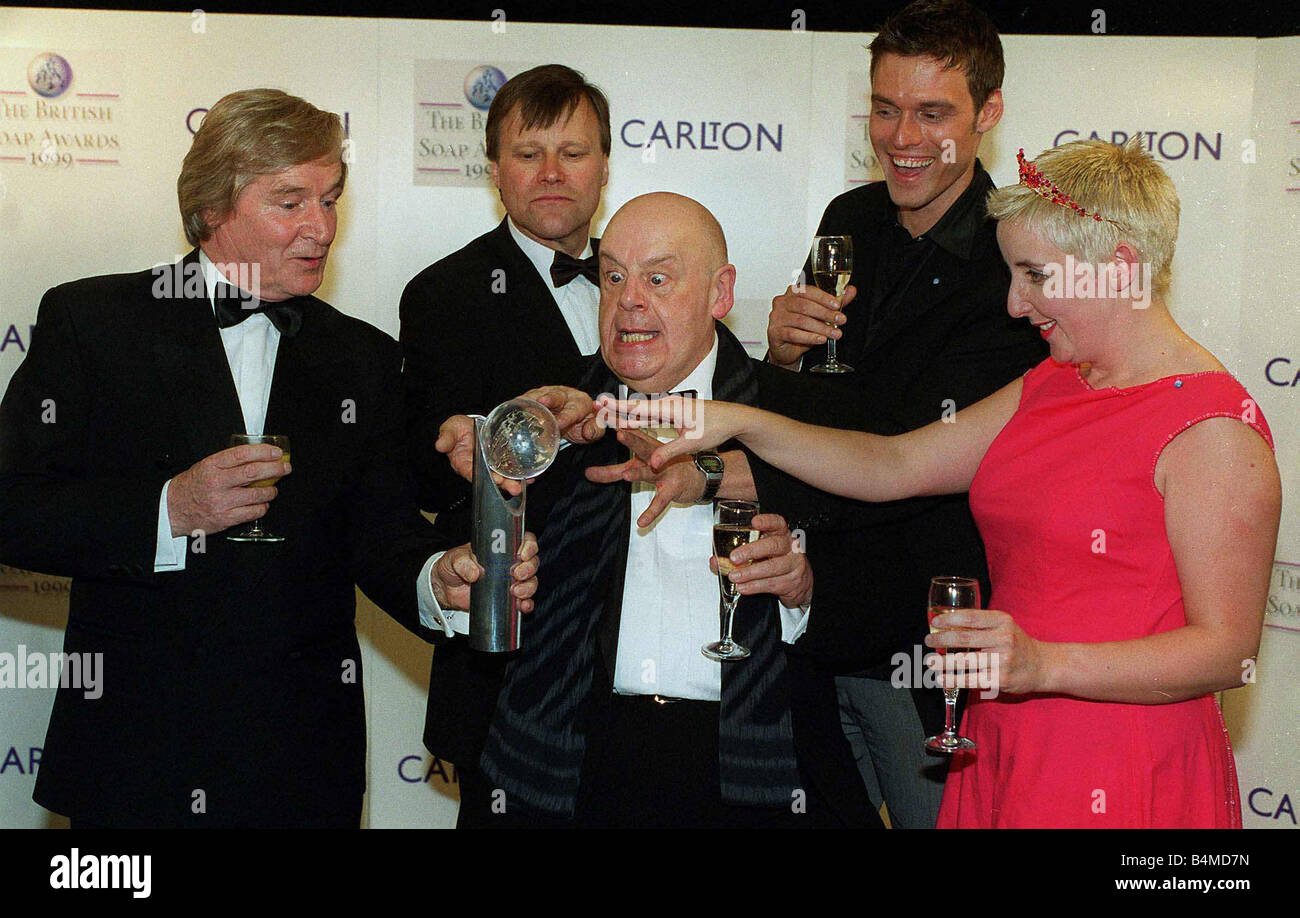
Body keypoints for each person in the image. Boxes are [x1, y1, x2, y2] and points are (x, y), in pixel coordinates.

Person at [612, 137, 1281, 828]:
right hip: (1002, 735)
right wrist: (740, 419)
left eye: (1035, 276)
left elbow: (1227, 650)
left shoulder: (1211, 428)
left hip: (1122, 756)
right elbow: (892, 466)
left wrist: (1045, 665)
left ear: (1121, 269)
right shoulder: (1050, 385)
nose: (1017, 306)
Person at [0, 88, 537, 828]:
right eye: (290, 202)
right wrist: (166, 511)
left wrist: (433, 578)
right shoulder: (93, 323)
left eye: (330, 198)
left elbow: (378, 532)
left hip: (301, 768)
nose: (321, 227)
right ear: (215, 207)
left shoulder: (364, 360)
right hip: (137, 760)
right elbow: (13, 508)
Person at [425, 192, 849, 828]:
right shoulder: (546, 414)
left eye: (658, 277)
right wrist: (464, 565)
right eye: (615, 275)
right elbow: (463, 569)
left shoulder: (800, 416)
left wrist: (803, 589)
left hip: (751, 770)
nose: (629, 300)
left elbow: (878, 589)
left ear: (720, 292)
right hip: (564, 763)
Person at [755, 0, 1047, 828]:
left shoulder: (1013, 264)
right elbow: (816, 399)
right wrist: (779, 357)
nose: (902, 136)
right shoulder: (847, 221)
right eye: (886, 108)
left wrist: (749, 429)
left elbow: (905, 451)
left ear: (988, 113)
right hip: (802, 623)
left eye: (932, 112)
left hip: (924, 650)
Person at [401, 64, 610, 512]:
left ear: (605, 167)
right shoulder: (443, 295)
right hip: (523, 570)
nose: (551, 173)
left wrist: (784, 362)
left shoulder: (647, 278)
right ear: (495, 170)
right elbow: (430, 481)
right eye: (529, 155)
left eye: (572, 153)